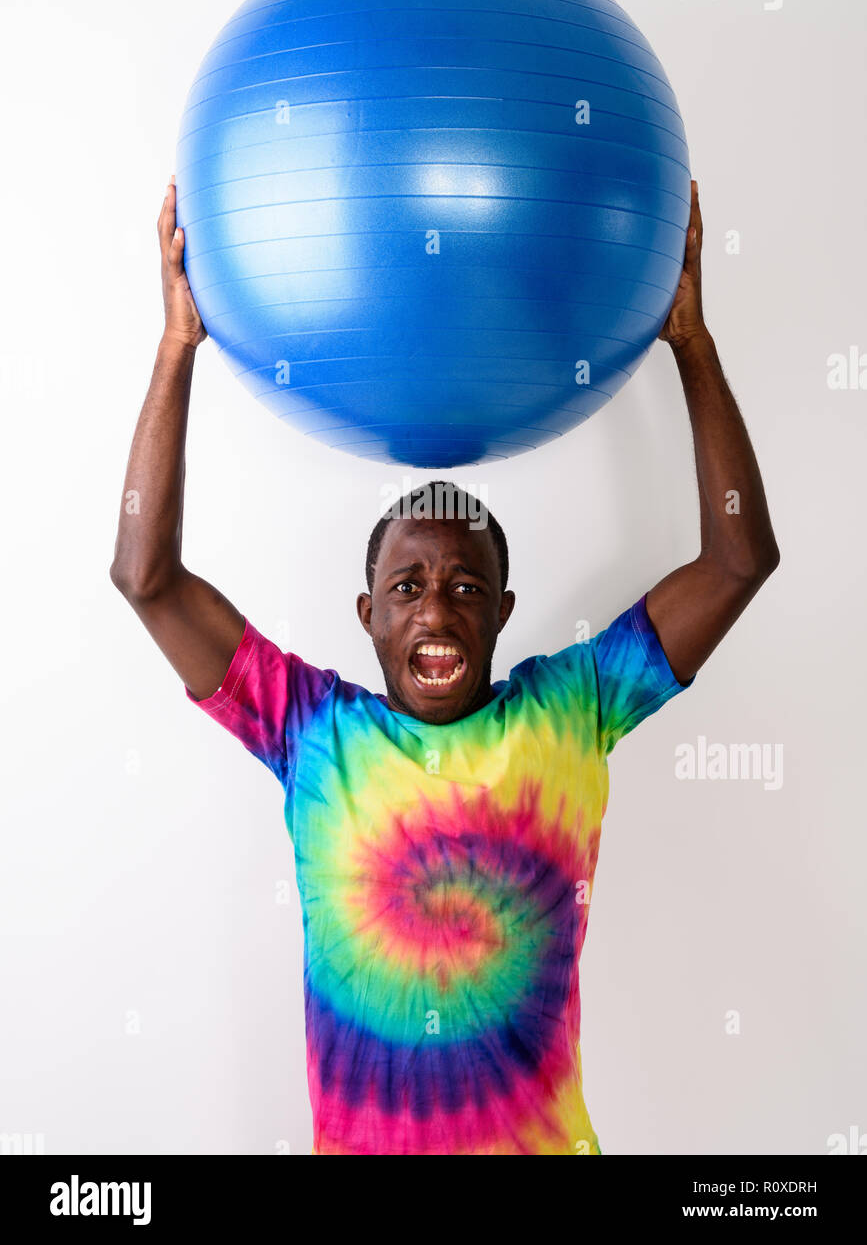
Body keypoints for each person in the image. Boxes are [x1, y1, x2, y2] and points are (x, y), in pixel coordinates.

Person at [110, 175, 779, 1155]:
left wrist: (694, 346)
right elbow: (147, 576)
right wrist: (178, 349)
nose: (436, 606)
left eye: (466, 587)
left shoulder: (576, 704)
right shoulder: (310, 730)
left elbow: (738, 560)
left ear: (503, 611)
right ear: (368, 615)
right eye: (409, 585)